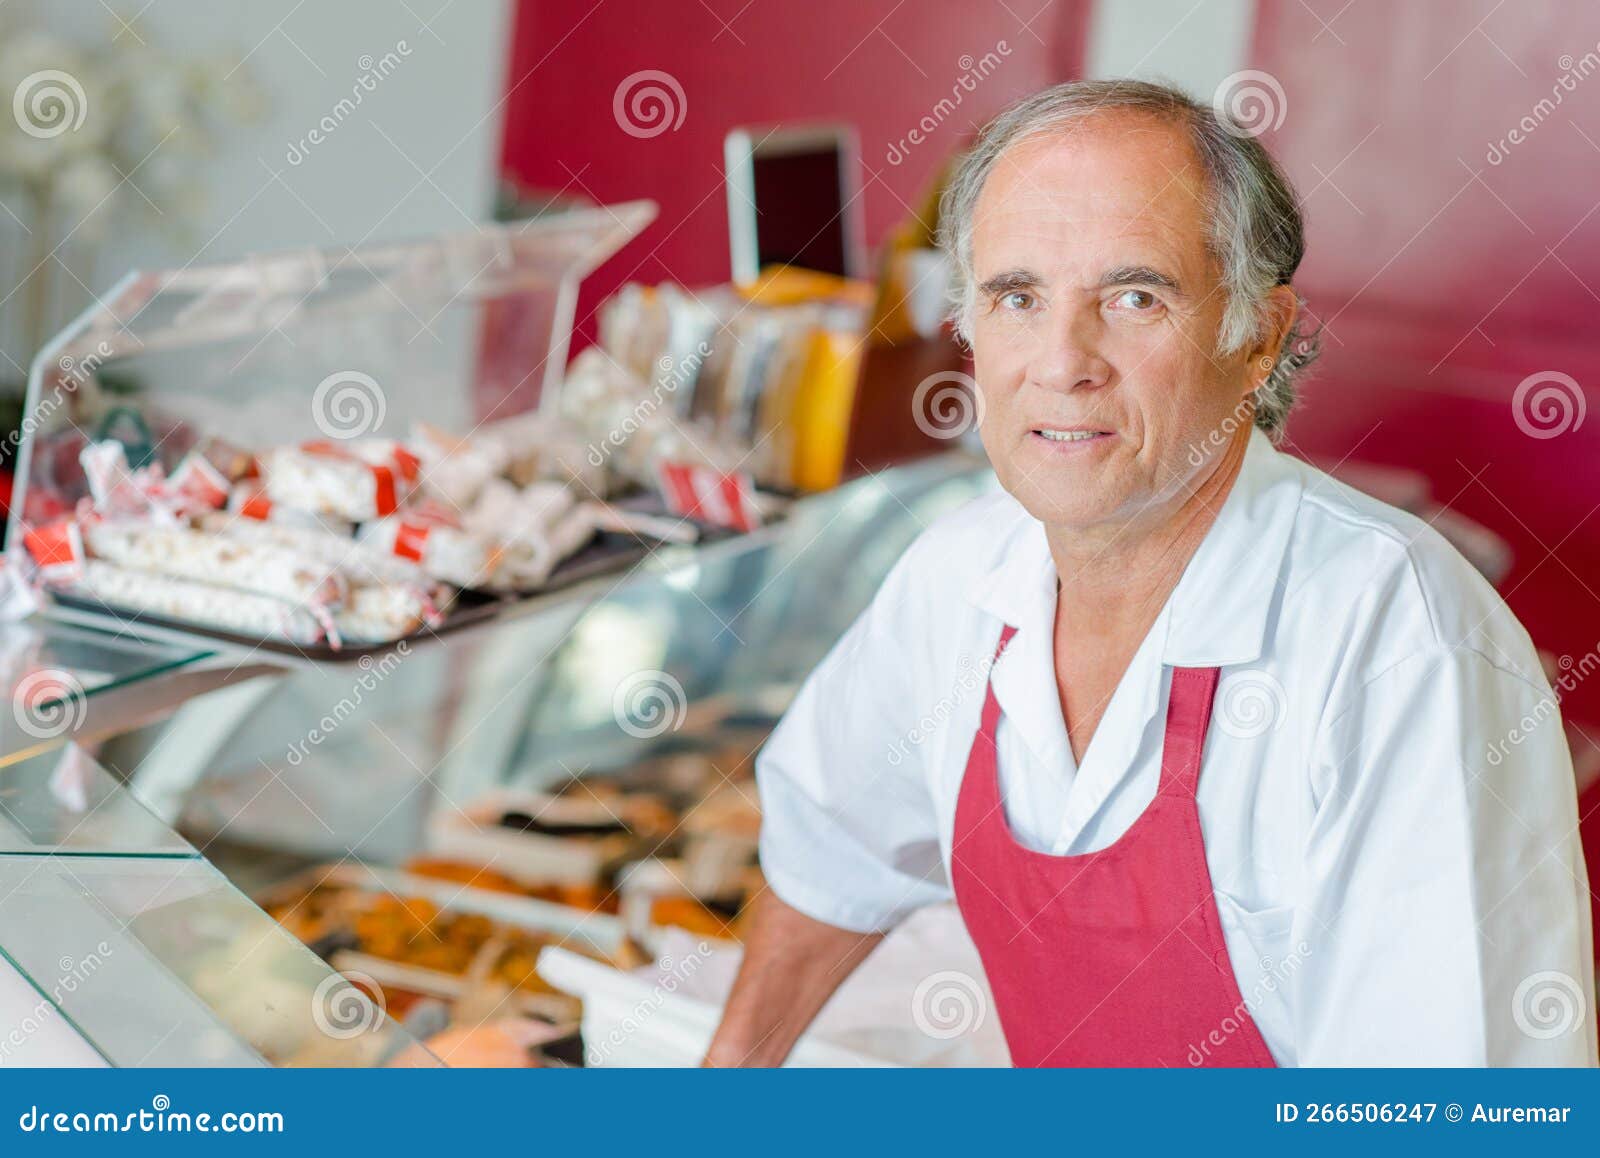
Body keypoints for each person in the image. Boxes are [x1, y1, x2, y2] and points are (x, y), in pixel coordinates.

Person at [705, 79, 1596, 1067]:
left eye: (1133, 297)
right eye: (1016, 296)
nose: (1062, 362)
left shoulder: (1398, 645)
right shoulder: (955, 577)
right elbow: (833, 856)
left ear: (1255, 336)